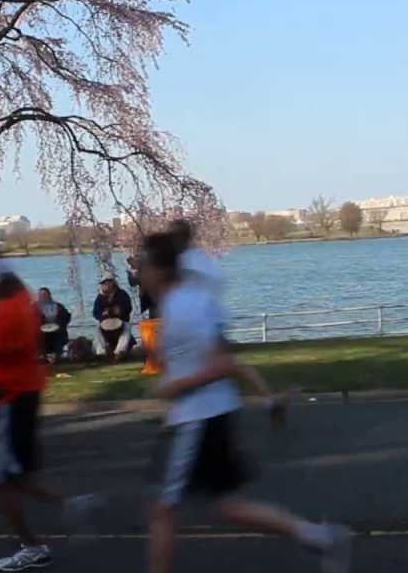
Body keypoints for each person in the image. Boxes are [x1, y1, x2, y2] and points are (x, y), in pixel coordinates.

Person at [140, 232, 350, 573]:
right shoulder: (180, 302)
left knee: (162, 511)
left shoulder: (184, 307)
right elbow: (206, 355)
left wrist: (175, 386)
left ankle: (321, 537)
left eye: (143, 264)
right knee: (227, 507)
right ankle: (320, 537)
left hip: (197, 419)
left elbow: (222, 363)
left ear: (161, 269)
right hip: (204, 416)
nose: (138, 271)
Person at [0, 249, 99, 571]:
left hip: (9, 400)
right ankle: (70, 504)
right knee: (13, 474)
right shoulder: (22, 301)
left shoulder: (6, 316)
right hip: (25, 395)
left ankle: (32, 547)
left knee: (0, 481)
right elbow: (12, 280)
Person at [92, 277, 133, 359]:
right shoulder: (100, 297)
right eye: (103, 283)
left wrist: (120, 311)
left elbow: (129, 308)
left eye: (107, 283)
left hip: (121, 322)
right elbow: (95, 313)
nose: (104, 285)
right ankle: (101, 352)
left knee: (127, 328)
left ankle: (120, 351)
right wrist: (103, 314)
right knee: (97, 329)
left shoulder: (122, 294)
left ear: (112, 283)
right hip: (104, 323)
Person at [35, 288, 72, 362]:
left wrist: (59, 324)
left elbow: (66, 317)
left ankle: (57, 356)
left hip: (57, 330)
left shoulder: (58, 306)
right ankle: (42, 357)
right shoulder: (34, 307)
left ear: (49, 295)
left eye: (45, 294)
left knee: (59, 334)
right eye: (41, 295)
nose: (43, 296)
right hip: (41, 330)